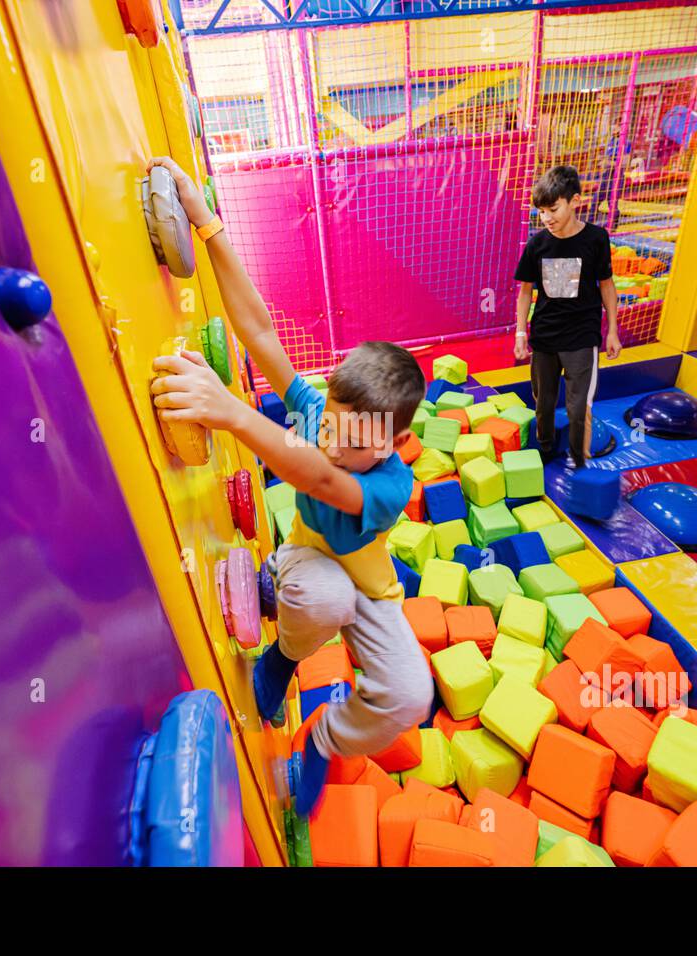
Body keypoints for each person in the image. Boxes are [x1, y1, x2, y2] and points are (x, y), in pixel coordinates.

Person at [146, 157, 433, 818]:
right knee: (318, 593)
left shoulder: (390, 484)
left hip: (372, 588)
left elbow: (319, 476)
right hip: (312, 566)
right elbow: (259, 331)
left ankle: (327, 741)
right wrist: (208, 224)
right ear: (328, 395)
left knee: (409, 695)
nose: (332, 439)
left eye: (355, 440)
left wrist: (230, 410)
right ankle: (284, 651)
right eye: (328, 420)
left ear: (389, 445)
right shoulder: (319, 413)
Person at [514, 165, 621, 467]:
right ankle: (546, 451)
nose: (546, 218)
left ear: (575, 201)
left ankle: (579, 461)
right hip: (545, 336)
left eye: (553, 209)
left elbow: (606, 285)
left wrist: (612, 330)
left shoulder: (596, 239)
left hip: (582, 338)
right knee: (543, 403)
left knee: (578, 408)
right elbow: (525, 293)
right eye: (541, 212)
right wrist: (521, 333)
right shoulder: (537, 244)